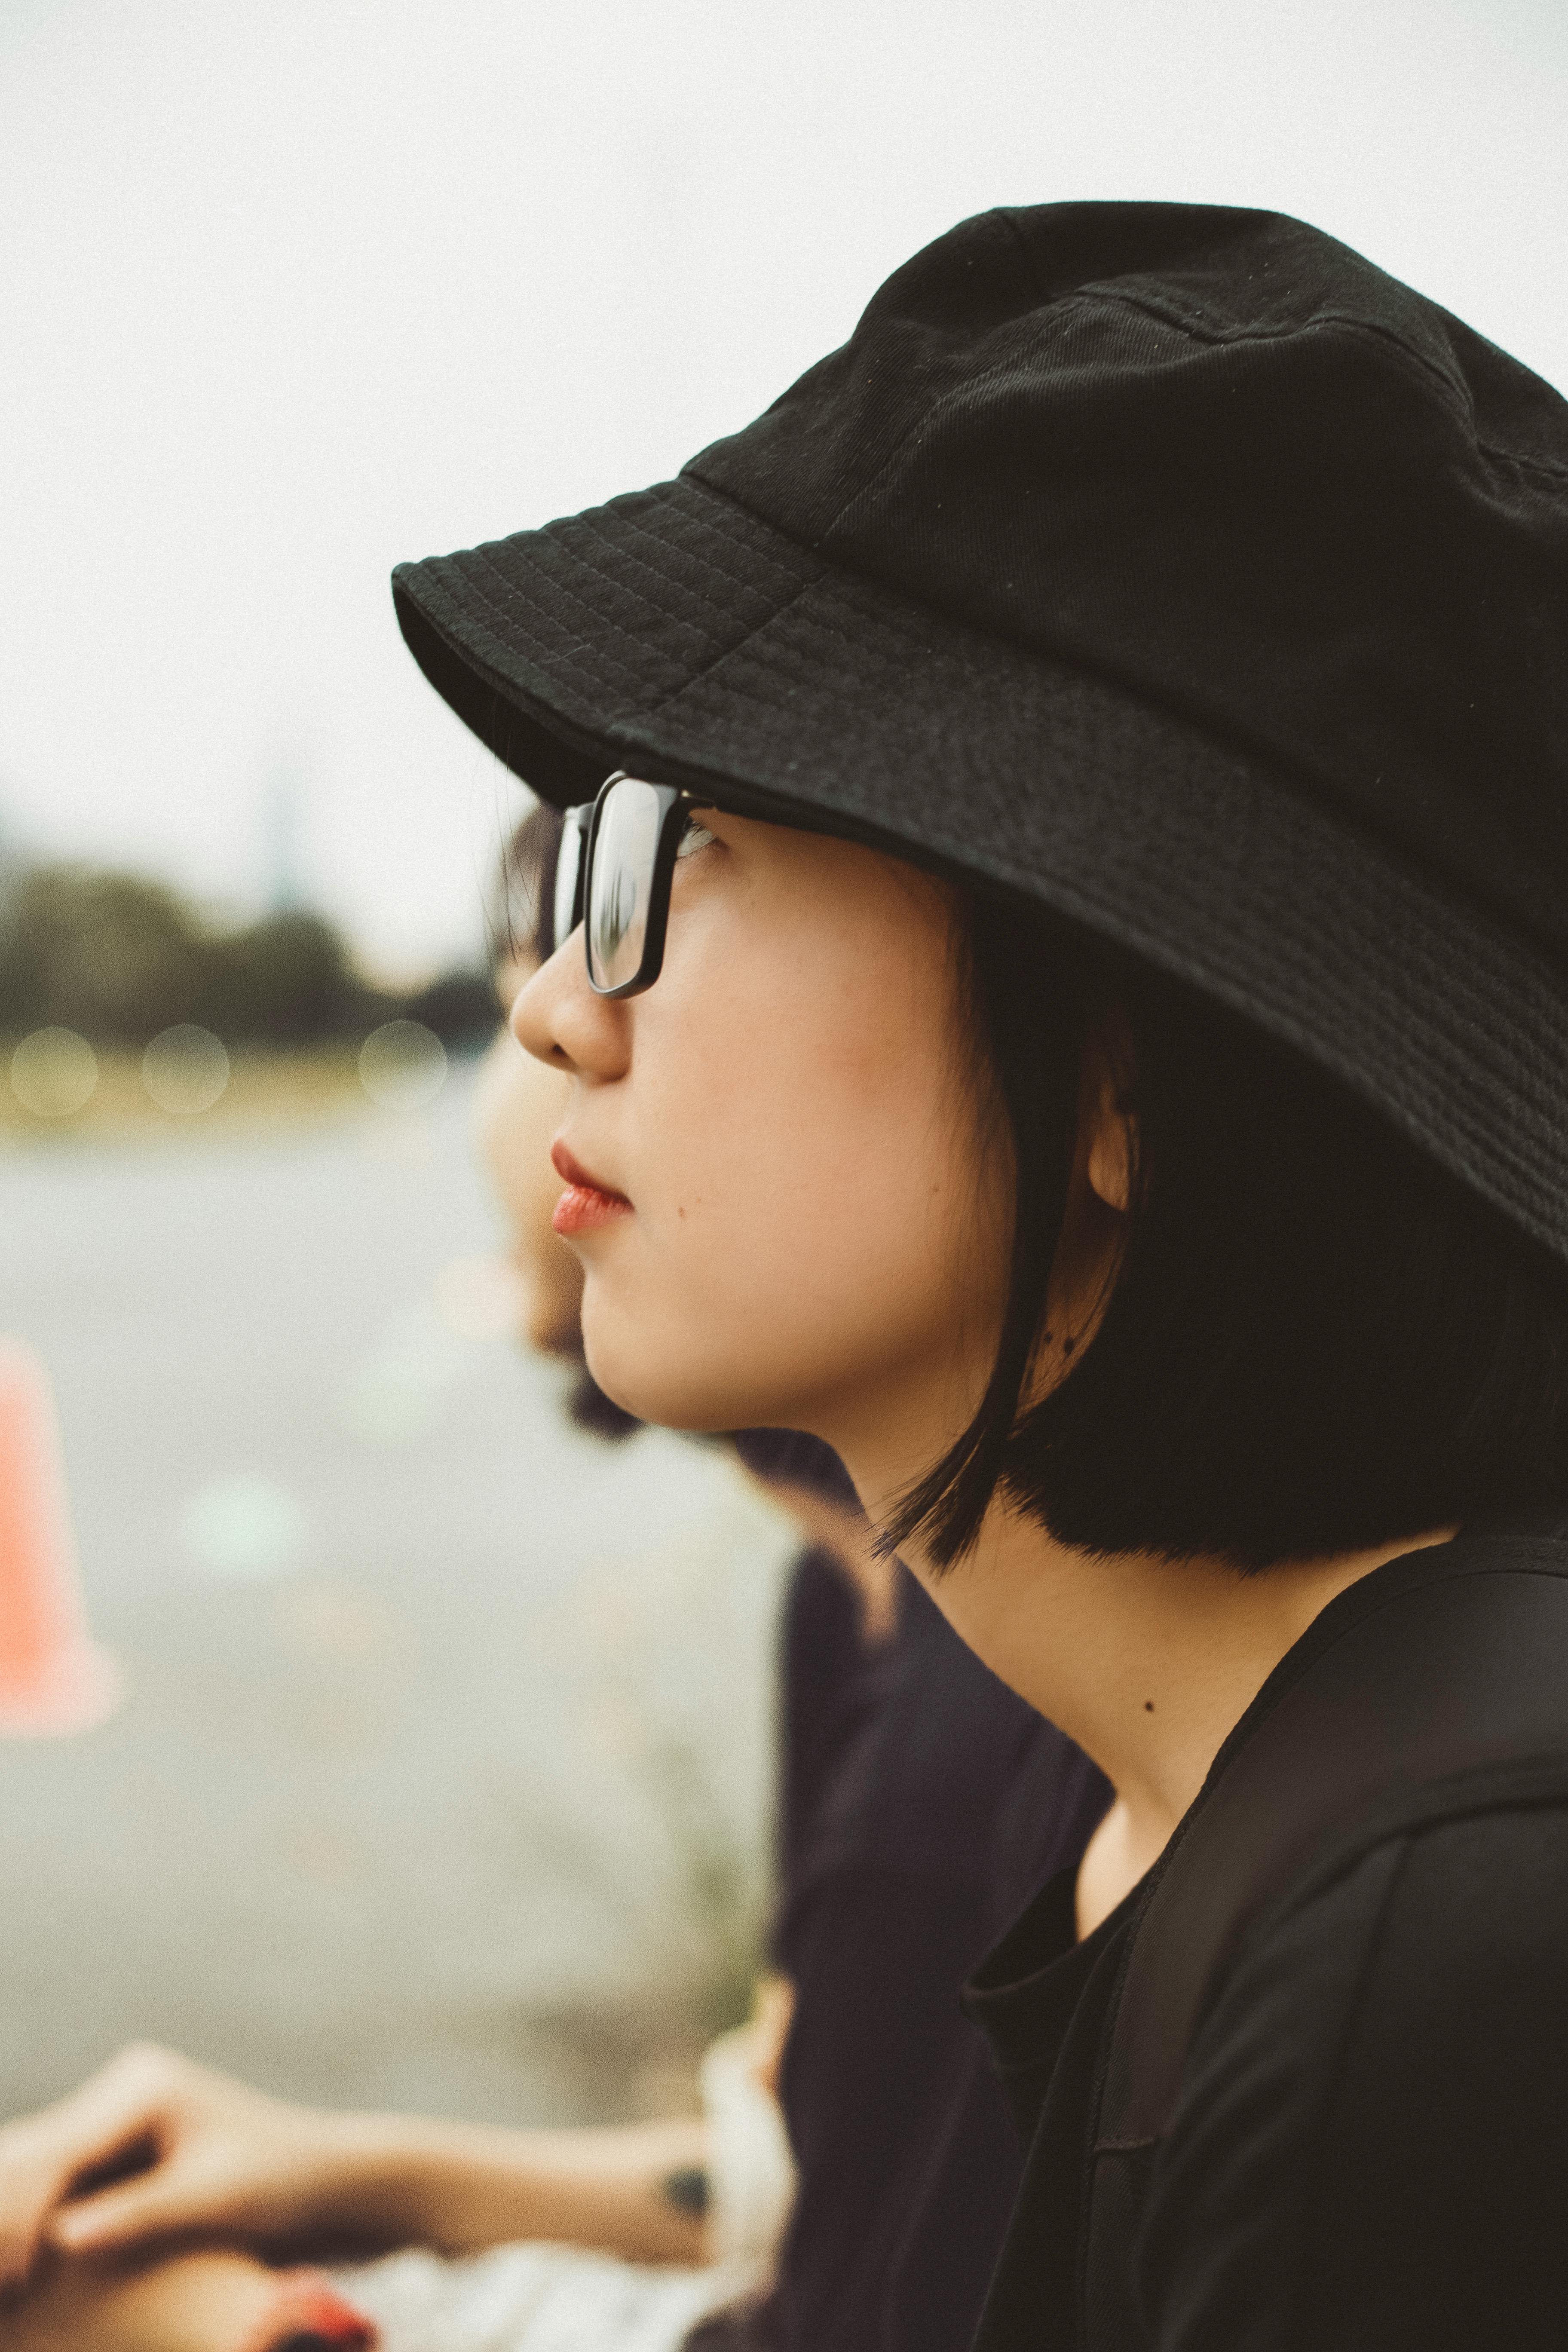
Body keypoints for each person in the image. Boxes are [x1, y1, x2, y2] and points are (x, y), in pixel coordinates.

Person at [371, 200, 1568, 2349]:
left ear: (1119, 1070)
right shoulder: (1212, 1805)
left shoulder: (1448, 1957)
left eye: (665, 851)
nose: (557, 1009)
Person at [0, 809, 1106, 2352]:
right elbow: (803, 2174)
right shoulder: (858, 1598)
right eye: (543, 957)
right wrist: (342, 2176)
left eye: (608, 945)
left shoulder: (1057, 1657)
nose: (551, 1027)